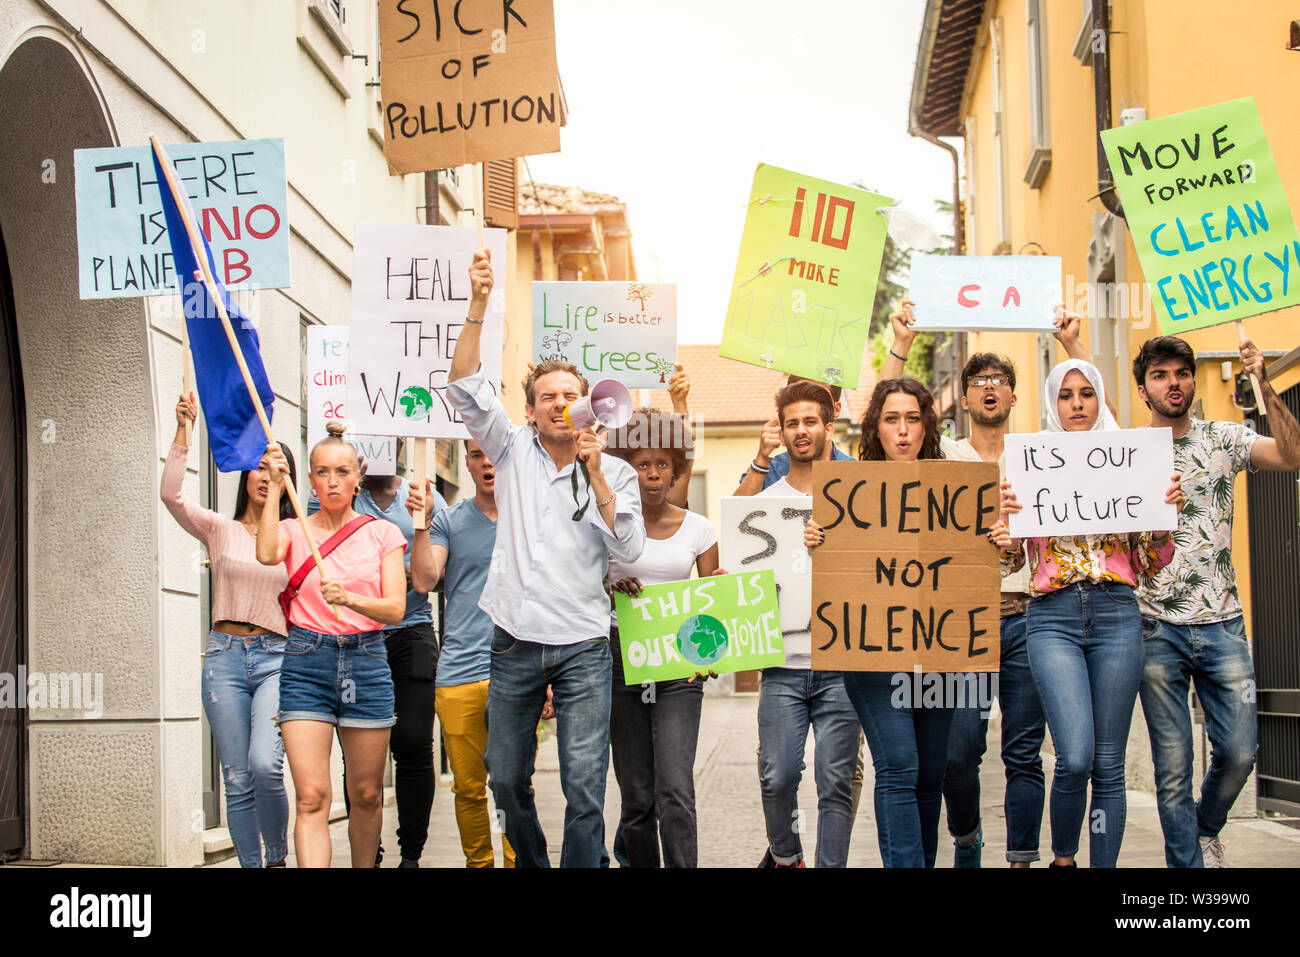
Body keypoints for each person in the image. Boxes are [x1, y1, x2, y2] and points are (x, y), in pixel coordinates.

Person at [447, 250, 645, 868]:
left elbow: (630, 549)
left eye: (570, 396)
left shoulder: (613, 471)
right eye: (547, 396)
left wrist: (597, 476)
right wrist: (478, 304)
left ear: (588, 407)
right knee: (504, 780)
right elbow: (461, 385)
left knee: (585, 789)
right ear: (529, 409)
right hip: (513, 641)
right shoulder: (507, 450)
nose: (560, 404)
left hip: (585, 643)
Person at [886, 301, 1098, 867]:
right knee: (959, 751)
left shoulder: (1044, 454)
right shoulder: (943, 453)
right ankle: (967, 837)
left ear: (1012, 396)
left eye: (999, 382)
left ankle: (1023, 859)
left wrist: (1075, 348)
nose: (989, 389)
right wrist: (901, 345)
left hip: (1033, 616)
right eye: (978, 381)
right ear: (963, 396)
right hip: (964, 620)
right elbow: (887, 427)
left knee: (1025, 752)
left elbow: (1103, 442)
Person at [992, 359, 1184, 867]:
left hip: (1118, 613)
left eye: (1086, 394)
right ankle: (1063, 856)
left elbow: (1149, 560)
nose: (1076, 404)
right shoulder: (1029, 467)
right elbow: (1011, 560)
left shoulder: (1131, 463)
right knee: (1073, 757)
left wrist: (1164, 521)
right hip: (1051, 617)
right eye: (1066, 395)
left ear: (1100, 400)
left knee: (1109, 766)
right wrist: (1004, 532)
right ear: (1053, 404)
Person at [1133, 335, 1300, 867]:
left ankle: (1205, 827)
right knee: (1174, 769)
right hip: (1154, 627)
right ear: (1143, 389)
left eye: (1182, 372)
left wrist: (1264, 382)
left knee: (1240, 753)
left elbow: (1293, 456)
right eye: (1160, 374)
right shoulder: (1123, 452)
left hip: (1224, 624)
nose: (1173, 382)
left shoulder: (1225, 438)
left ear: (1193, 381)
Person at [805, 376, 960, 867]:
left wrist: (997, 541)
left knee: (932, 773)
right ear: (876, 426)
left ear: (926, 425)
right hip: (873, 650)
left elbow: (976, 570)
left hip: (939, 649)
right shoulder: (849, 490)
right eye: (892, 419)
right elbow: (841, 576)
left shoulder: (956, 487)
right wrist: (819, 545)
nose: (903, 430)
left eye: (913, 418)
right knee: (899, 766)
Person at [257, 423, 420, 868]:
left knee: (365, 794)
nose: (332, 481)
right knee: (312, 797)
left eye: (342, 472)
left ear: (356, 479)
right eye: (322, 472)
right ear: (309, 479)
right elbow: (267, 553)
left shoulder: (381, 533)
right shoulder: (294, 529)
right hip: (306, 660)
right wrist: (273, 488)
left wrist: (349, 598)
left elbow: (395, 610)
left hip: (366, 660)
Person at [162, 392, 294, 868]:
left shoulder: (296, 537)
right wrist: (184, 430)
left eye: (275, 470)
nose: (265, 476)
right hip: (224, 658)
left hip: (278, 659)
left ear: (287, 482)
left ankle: (277, 858)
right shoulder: (221, 529)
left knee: (265, 765)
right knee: (237, 776)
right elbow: (172, 496)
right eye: (258, 468)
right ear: (245, 476)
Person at [311, 448, 446, 868]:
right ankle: (368, 852)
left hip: (412, 633)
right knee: (357, 755)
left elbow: (432, 579)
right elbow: (319, 546)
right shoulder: (339, 494)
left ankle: (411, 854)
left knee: (412, 744)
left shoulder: (425, 495)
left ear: (400, 446)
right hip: (354, 638)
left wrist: (415, 536)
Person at [606, 407, 721, 868]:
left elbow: (712, 603)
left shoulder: (700, 530)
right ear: (626, 468)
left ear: (676, 469)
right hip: (619, 659)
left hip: (679, 664)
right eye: (641, 464)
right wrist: (609, 589)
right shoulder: (606, 526)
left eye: (661, 465)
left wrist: (712, 651)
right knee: (636, 796)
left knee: (675, 788)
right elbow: (582, 583)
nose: (652, 475)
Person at [752, 381, 860, 868]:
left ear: (828, 427)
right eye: (792, 422)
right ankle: (788, 855)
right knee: (776, 775)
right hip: (781, 663)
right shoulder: (763, 503)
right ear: (783, 431)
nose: (801, 430)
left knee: (836, 780)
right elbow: (740, 571)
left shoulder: (860, 495)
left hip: (843, 661)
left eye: (810, 421)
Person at [427, 439, 515, 868]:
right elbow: (425, 579)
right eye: (477, 455)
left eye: (493, 454)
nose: (487, 463)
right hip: (459, 671)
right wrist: (420, 524)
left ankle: (521, 861)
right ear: (467, 462)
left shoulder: (529, 520)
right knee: (467, 786)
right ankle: (479, 864)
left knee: (514, 783)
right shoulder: (448, 520)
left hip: (516, 670)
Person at [734, 376, 855, 495]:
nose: (801, 430)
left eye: (818, 394)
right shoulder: (771, 469)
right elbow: (738, 512)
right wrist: (761, 460)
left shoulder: (854, 472)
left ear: (836, 409)